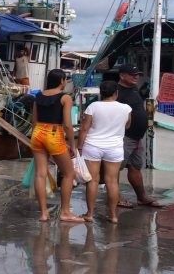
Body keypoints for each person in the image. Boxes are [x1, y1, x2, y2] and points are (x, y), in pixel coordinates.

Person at [77, 80, 131, 223]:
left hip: (93, 146)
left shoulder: (93, 106)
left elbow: (84, 129)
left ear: (101, 93)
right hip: (114, 147)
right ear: (116, 93)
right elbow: (127, 125)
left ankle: (89, 214)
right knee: (112, 181)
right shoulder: (126, 108)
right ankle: (113, 216)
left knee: (93, 180)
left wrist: (79, 147)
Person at [30, 68, 77, 222]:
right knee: (69, 174)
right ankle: (65, 212)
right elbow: (68, 125)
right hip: (54, 134)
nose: (66, 82)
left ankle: (44, 213)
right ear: (61, 81)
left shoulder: (38, 96)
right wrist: (72, 145)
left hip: (37, 133)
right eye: (65, 79)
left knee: (40, 174)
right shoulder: (65, 98)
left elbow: (34, 120)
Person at [115, 64, 164, 209]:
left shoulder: (134, 89)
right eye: (132, 74)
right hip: (123, 136)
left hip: (137, 137)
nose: (136, 77)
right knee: (114, 168)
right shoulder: (116, 92)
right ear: (122, 75)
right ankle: (115, 197)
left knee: (135, 167)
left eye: (137, 74)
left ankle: (141, 197)